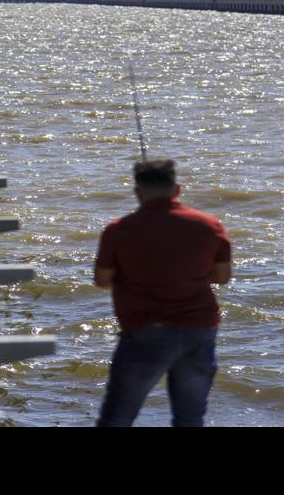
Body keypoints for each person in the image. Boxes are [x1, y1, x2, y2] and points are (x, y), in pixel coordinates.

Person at [93, 159, 232, 427]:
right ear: (176, 189)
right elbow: (222, 277)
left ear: (137, 192)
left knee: (117, 418)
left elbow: (102, 280)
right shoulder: (210, 225)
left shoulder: (118, 230)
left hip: (145, 331)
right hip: (199, 331)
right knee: (190, 419)